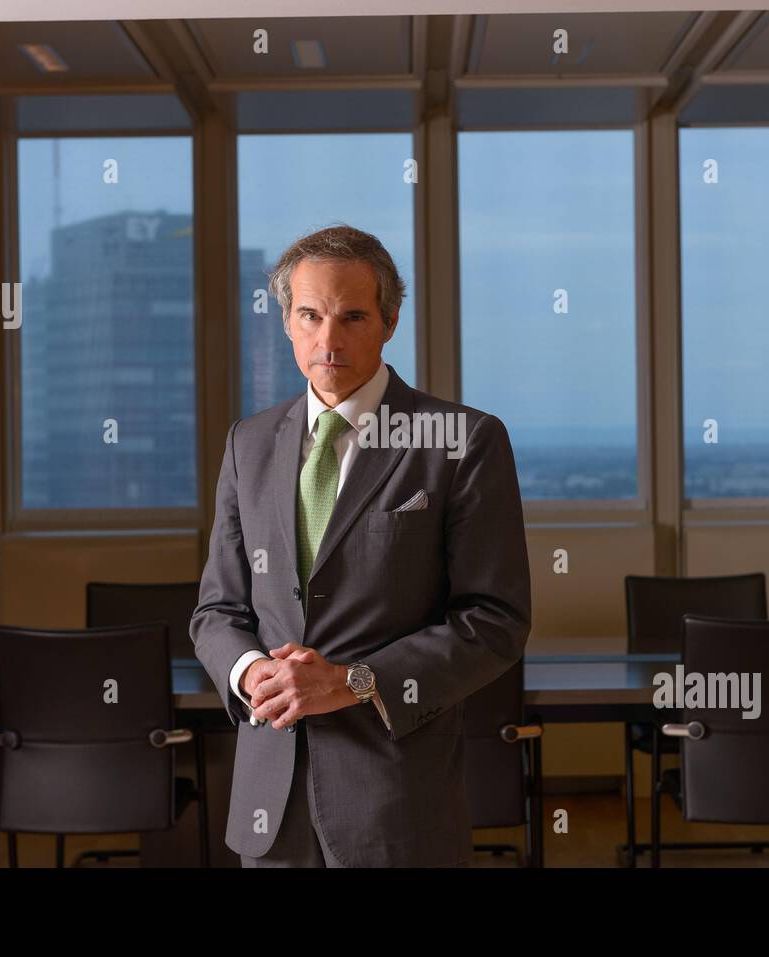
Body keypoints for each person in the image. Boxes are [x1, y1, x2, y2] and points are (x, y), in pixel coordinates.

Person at [191, 224, 530, 867]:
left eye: (352, 316)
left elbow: (495, 621)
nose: (328, 339)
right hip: (270, 800)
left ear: (390, 320)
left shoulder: (464, 441)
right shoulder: (249, 443)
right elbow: (218, 610)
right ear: (287, 322)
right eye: (310, 315)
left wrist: (352, 681)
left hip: (394, 802)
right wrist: (252, 673)